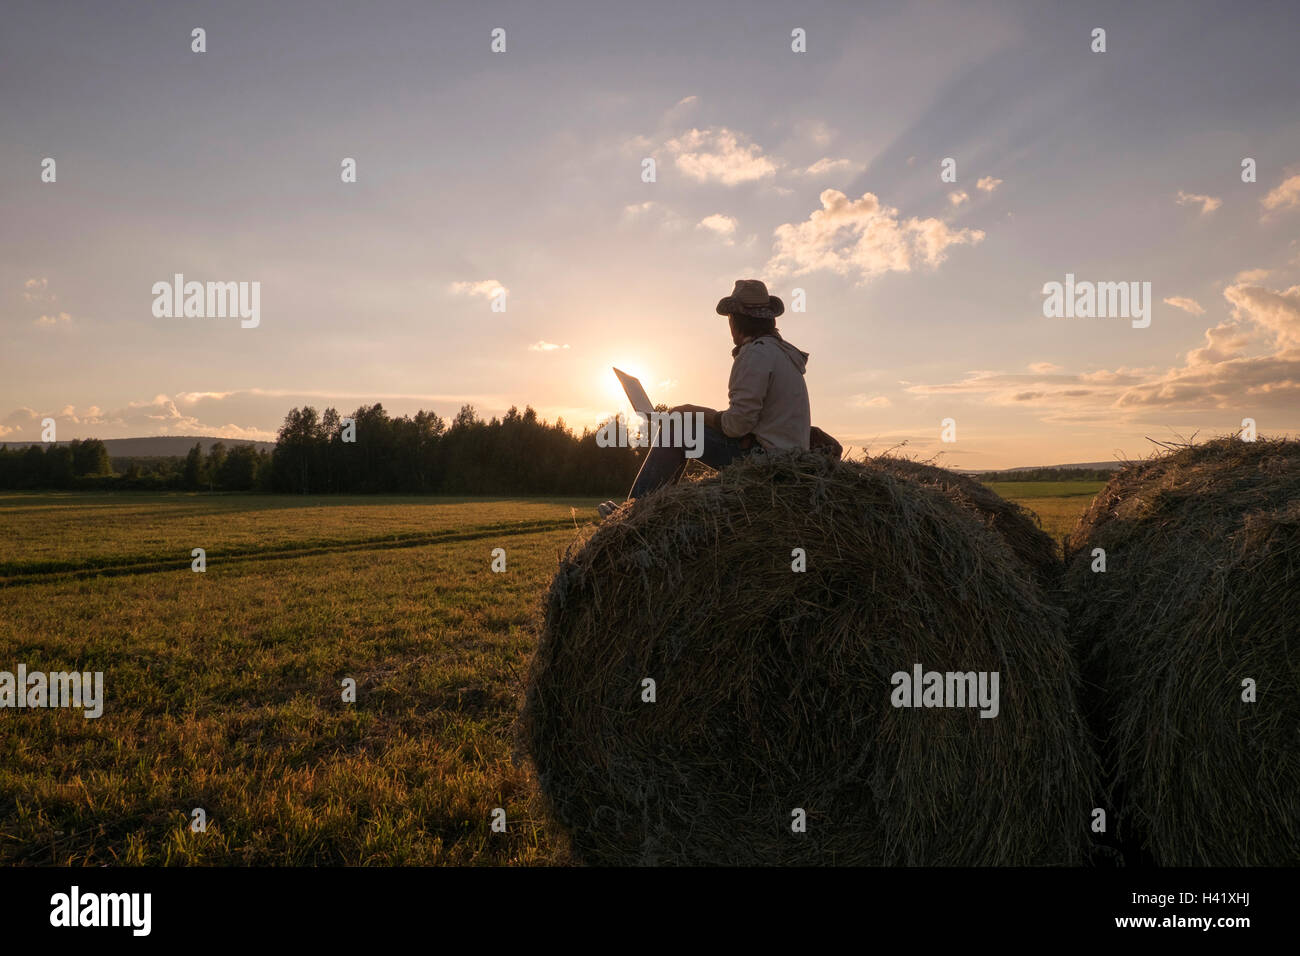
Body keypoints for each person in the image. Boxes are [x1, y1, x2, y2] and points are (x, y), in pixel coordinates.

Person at [598, 279, 811, 518]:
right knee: (682, 424)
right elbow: (751, 419)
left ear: (735, 320)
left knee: (675, 430)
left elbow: (736, 425)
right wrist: (700, 415)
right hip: (787, 461)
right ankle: (655, 510)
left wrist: (692, 411)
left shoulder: (755, 354)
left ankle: (636, 514)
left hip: (766, 462)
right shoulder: (782, 355)